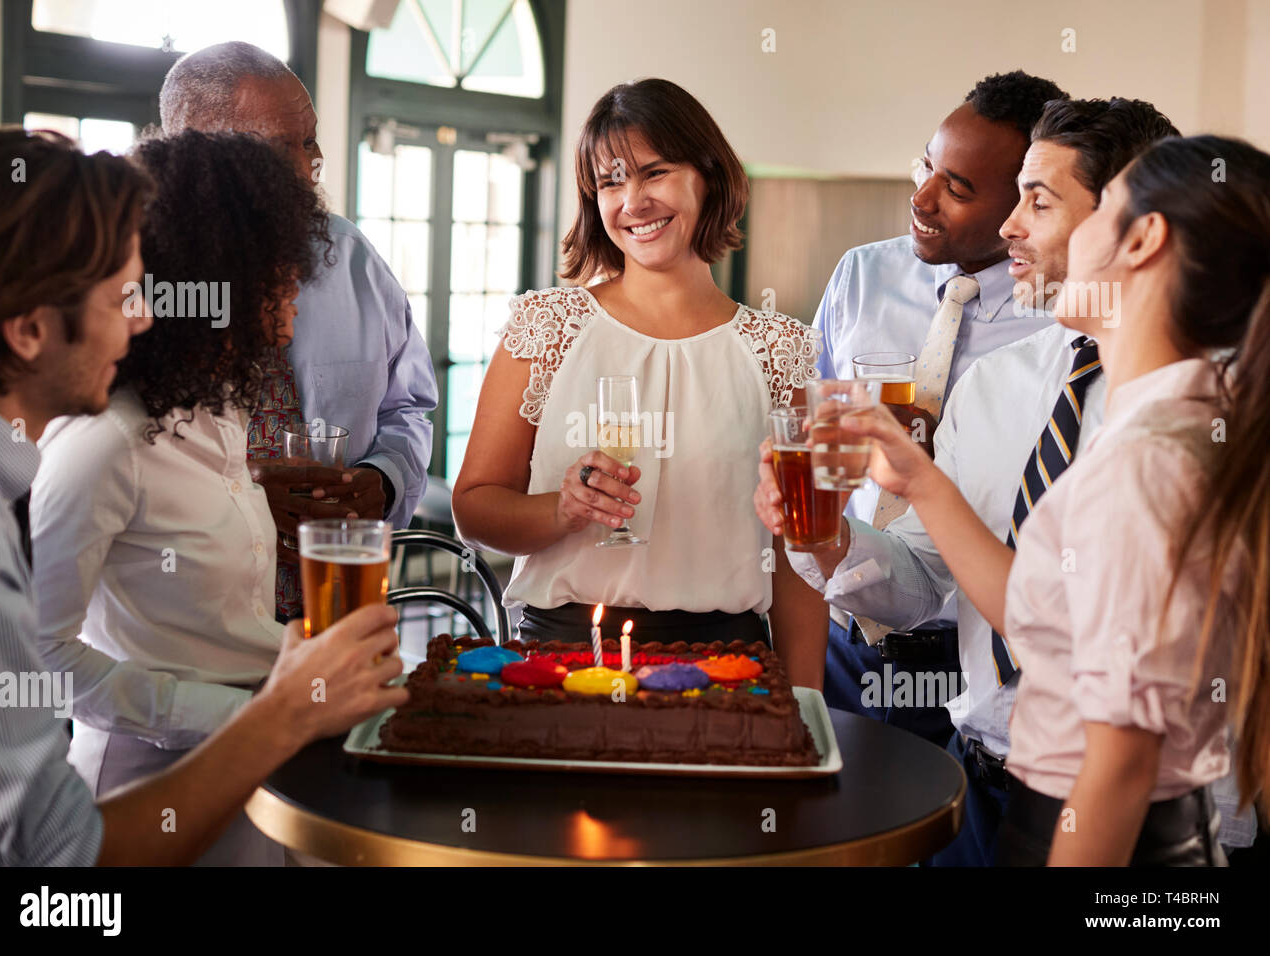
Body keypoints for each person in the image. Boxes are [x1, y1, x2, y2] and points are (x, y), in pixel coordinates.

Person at [0, 127, 407, 866]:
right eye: (122, 296)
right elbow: (58, 870)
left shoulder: (213, 413)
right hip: (153, 778)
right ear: (28, 330)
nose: (144, 317)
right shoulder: (72, 466)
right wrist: (269, 712)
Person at [761, 98, 1181, 865]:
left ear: (1136, 225)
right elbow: (924, 581)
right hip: (987, 782)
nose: (1011, 226)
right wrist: (827, 540)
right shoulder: (997, 385)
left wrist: (922, 483)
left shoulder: (1194, 414)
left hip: (1150, 814)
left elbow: (1069, 634)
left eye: (1039, 201)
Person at [841, 133, 1270, 865]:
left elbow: (1121, 761)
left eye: (1092, 210)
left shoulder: (1147, 467)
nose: (1015, 225)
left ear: (1143, 240)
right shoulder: (1191, 429)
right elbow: (1050, 626)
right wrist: (917, 479)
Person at [451, 78, 828, 653]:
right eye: (611, 181)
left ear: (708, 176)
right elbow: (475, 507)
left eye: (655, 172)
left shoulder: (779, 351)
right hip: (563, 660)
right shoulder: (546, 328)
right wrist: (563, 508)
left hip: (728, 669)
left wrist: (806, 711)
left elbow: (798, 558)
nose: (633, 202)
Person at [773, 71, 1068, 717]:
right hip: (844, 631)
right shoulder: (863, 273)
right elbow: (801, 425)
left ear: (1025, 208)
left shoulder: (1060, 325)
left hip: (980, 657)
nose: (923, 199)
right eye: (926, 169)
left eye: (956, 189)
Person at [160, 41, 439, 620]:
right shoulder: (134, 274)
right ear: (196, 151)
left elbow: (408, 406)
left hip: (336, 608)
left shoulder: (354, 260)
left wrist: (382, 481)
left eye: (308, 138)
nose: (305, 166)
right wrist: (243, 495)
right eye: (273, 148)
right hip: (186, 634)